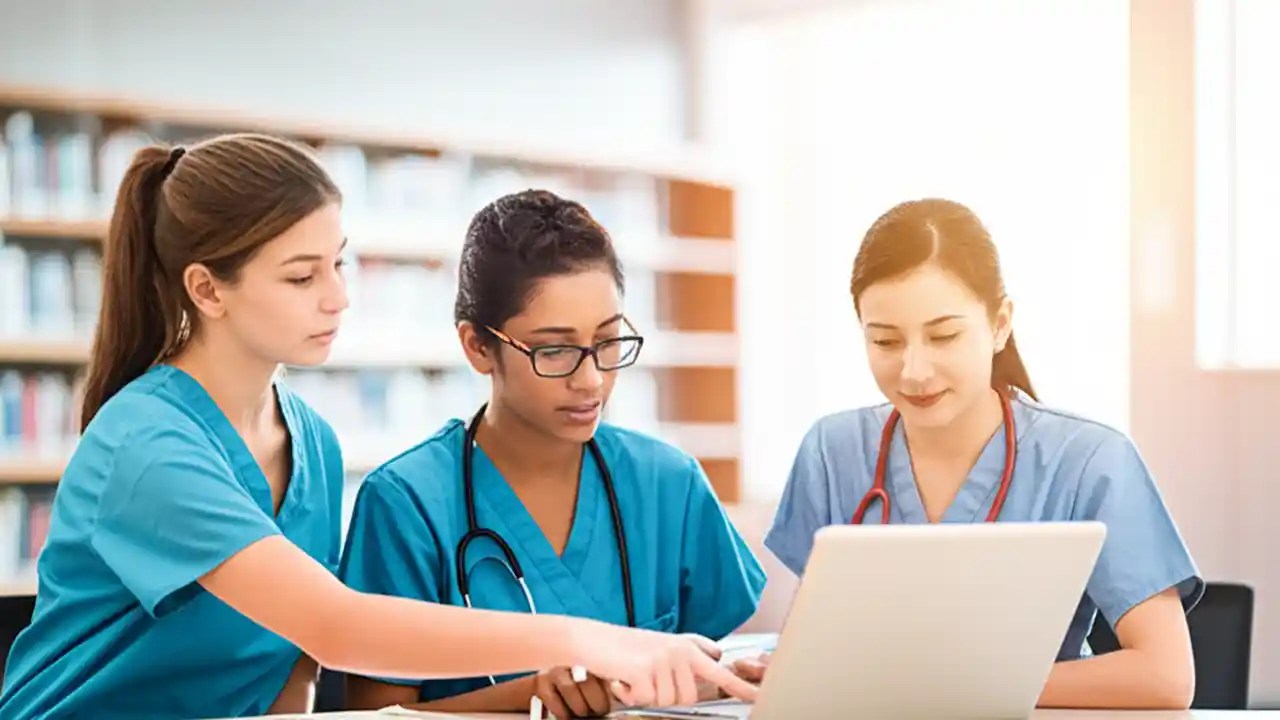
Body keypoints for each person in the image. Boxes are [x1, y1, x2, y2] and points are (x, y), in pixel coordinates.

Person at [0, 136, 757, 720]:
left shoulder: (313, 443)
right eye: (302, 276)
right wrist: (586, 637)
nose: (337, 298)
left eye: (340, 264)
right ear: (207, 289)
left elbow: (290, 675)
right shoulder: (148, 444)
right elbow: (333, 628)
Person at [738, 198, 1203, 710]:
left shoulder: (1090, 460)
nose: (914, 371)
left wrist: (938, 686)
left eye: (944, 336)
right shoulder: (832, 451)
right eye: (886, 341)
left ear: (1000, 323)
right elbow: (827, 651)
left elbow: (1165, 677)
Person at [338, 189, 767, 718]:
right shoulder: (407, 503)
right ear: (477, 346)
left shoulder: (667, 482)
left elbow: (713, 667)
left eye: (608, 342)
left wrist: (736, 678)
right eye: (555, 351)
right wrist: (534, 696)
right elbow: (372, 712)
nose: (591, 381)